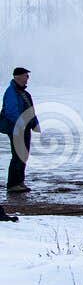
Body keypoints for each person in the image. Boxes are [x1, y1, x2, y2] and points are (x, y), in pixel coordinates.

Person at [3, 67, 38, 195]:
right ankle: (13, 184)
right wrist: (22, 124)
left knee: (23, 155)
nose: (27, 78)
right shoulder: (12, 92)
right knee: (18, 155)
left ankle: (19, 182)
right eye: (26, 76)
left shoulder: (22, 92)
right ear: (17, 77)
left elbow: (30, 109)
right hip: (17, 129)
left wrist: (34, 123)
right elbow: (11, 112)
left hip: (24, 128)